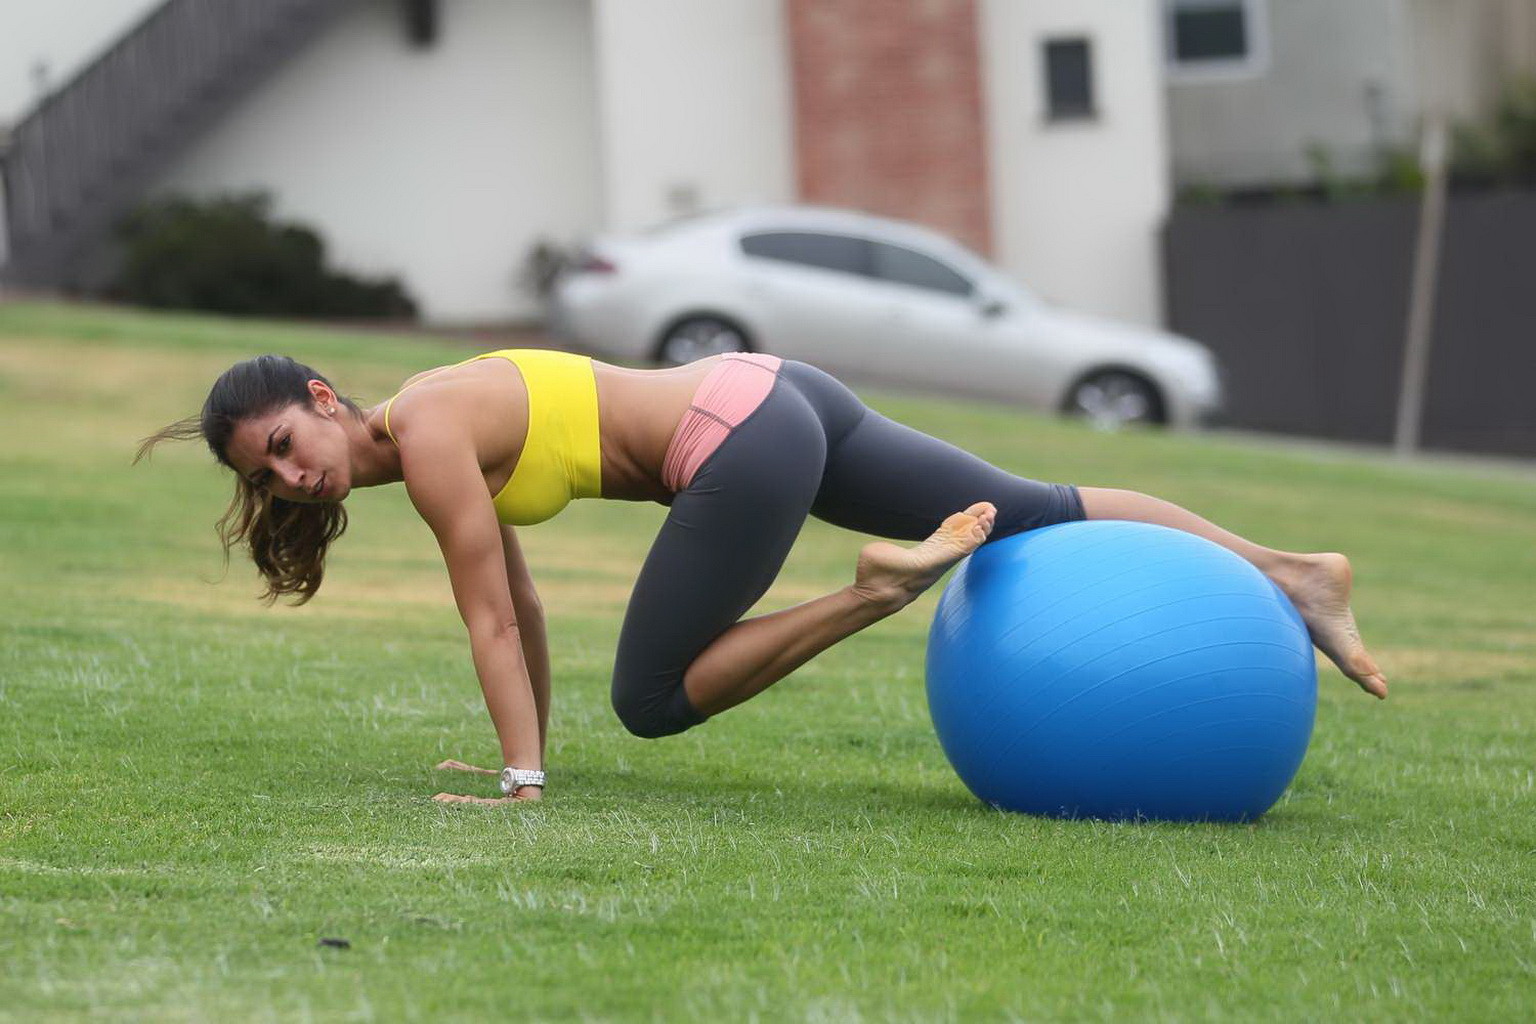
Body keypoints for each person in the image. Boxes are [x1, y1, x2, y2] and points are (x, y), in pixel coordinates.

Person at [139, 349, 1388, 804]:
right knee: (1035, 511)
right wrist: (527, 757)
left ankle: (871, 591)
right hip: (779, 392)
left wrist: (523, 780)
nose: (293, 478)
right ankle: (1293, 573)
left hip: (741, 436)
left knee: (656, 695)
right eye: (268, 472)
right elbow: (516, 604)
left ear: (320, 398)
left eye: (286, 445)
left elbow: (486, 616)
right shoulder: (428, 427)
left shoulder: (426, 433)